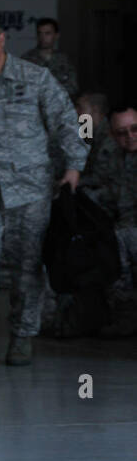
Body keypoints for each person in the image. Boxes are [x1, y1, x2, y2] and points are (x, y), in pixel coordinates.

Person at [0, 19, 88, 368]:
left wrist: (73, 167)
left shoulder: (35, 78)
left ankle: (22, 335)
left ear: (2, 40)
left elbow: (67, 122)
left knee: (28, 267)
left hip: (30, 191)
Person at [81, 106, 137, 338]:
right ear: (113, 136)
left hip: (130, 230)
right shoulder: (117, 156)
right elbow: (109, 189)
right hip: (124, 222)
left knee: (117, 242)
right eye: (122, 133)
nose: (130, 137)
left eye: (135, 129)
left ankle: (127, 315)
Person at [22, 18, 79, 100]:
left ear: (56, 35)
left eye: (47, 33)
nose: (42, 37)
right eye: (40, 33)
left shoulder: (65, 60)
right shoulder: (27, 59)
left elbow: (73, 87)